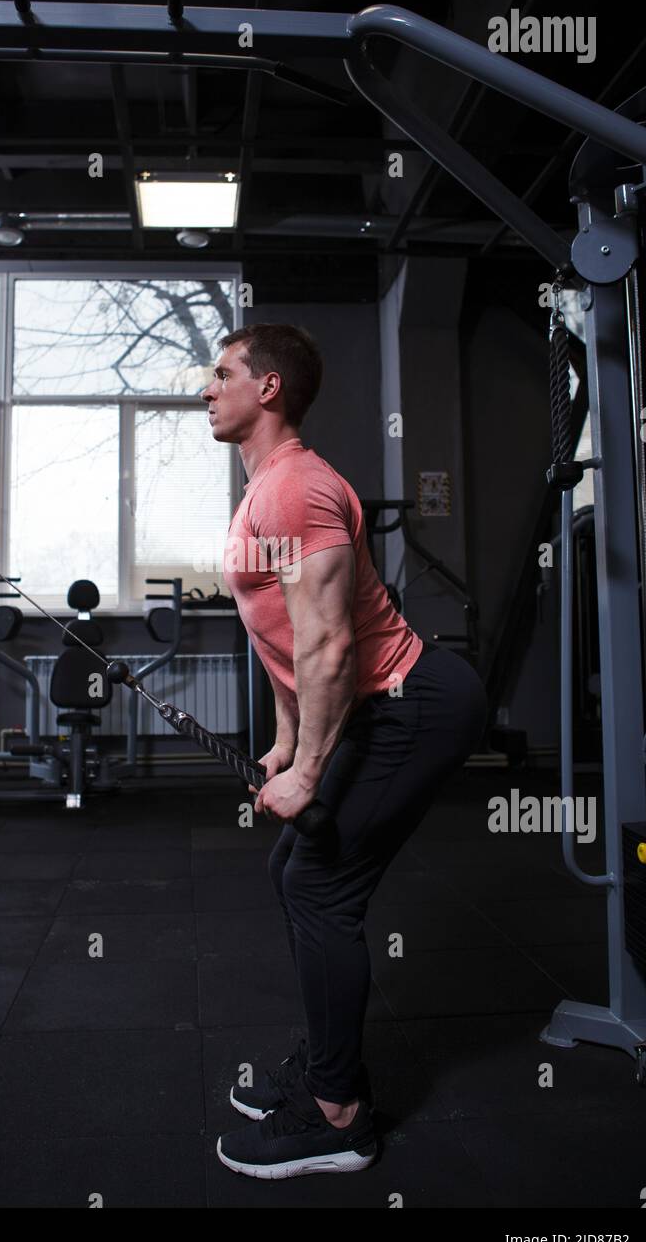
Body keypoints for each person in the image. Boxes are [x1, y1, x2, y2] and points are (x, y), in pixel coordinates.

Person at [202, 324, 488, 1180]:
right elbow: (282, 635)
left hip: (412, 706)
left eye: (222, 374)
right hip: (373, 705)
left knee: (317, 882)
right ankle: (334, 1067)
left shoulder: (294, 490)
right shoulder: (265, 492)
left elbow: (330, 647)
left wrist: (311, 775)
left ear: (269, 389)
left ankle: (336, 1115)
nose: (205, 389)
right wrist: (287, 746)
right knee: (292, 870)